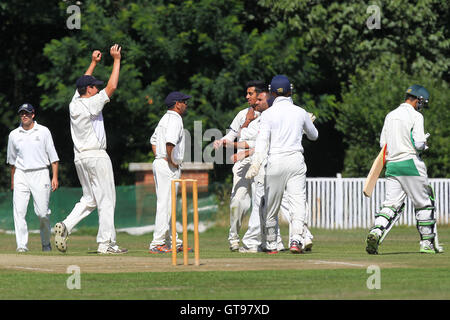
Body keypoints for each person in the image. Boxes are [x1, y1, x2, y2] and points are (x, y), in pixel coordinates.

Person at [54, 44, 127, 254]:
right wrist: (116, 60)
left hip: (80, 158)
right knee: (106, 199)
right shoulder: (91, 103)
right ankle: (106, 244)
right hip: (96, 155)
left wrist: (93, 64)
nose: (97, 88)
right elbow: (112, 87)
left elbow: (82, 83)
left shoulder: (74, 103)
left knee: (90, 199)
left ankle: (66, 226)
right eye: (94, 86)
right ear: (89, 91)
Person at [365, 84, 443, 254]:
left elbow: (382, 144)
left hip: (392, 165)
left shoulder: (390, 115)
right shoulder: (416, 116)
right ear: (418, 100)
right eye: (422, 102)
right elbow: (420, 143)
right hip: (411, 164)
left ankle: (376, 232)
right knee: (424, 204)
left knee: (391, 204)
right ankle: (427, 244)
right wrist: (423, 145)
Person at [246, 75, 318, 254]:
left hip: (275, 161)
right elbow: (314, 135)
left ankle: (271, 245)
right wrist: (303, 125)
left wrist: (256, 164)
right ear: (290, 91)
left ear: (271, 93)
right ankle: (296, 240)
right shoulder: (300, 112)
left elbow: (262, 142)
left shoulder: (268, 114)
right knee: (298, 202)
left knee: (271, 205)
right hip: (295, 160)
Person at [213, 80, 265, 251]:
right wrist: (223, 141)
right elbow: (232, 134)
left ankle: (262, 240)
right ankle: (233, 237)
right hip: (242, 164)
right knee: (238, 201)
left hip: (260, 162)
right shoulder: (242, 114)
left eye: (250, 93)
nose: (247, 96)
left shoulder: (268, 114)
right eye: (247, 93)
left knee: (261, 201)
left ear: (260, 94)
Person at [7, 103, 59, 252]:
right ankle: (21, 245)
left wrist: (54, 177)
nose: (24, 116)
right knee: (19, 211)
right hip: (21, 175)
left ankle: (46, 244)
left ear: (33, 115)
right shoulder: (14, 135)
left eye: (27, 113)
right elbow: (12, 162)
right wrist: (13, 180)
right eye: (22, 113)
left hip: (41, 172)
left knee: (42, 213)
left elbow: (53, 157)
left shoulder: (43, 131)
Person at [149, 91, 191, 253]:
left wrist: (160, 156)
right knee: (165, 205)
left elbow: (153, 141)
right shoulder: (175, 119)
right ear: (177, 104)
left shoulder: (164, 119)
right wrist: (171, 160)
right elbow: (170, 142)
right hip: (168, 166)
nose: (186, 105)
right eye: (184, 102)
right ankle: (157, 243)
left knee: (169, 205)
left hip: (161, 163)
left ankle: (173, 241)